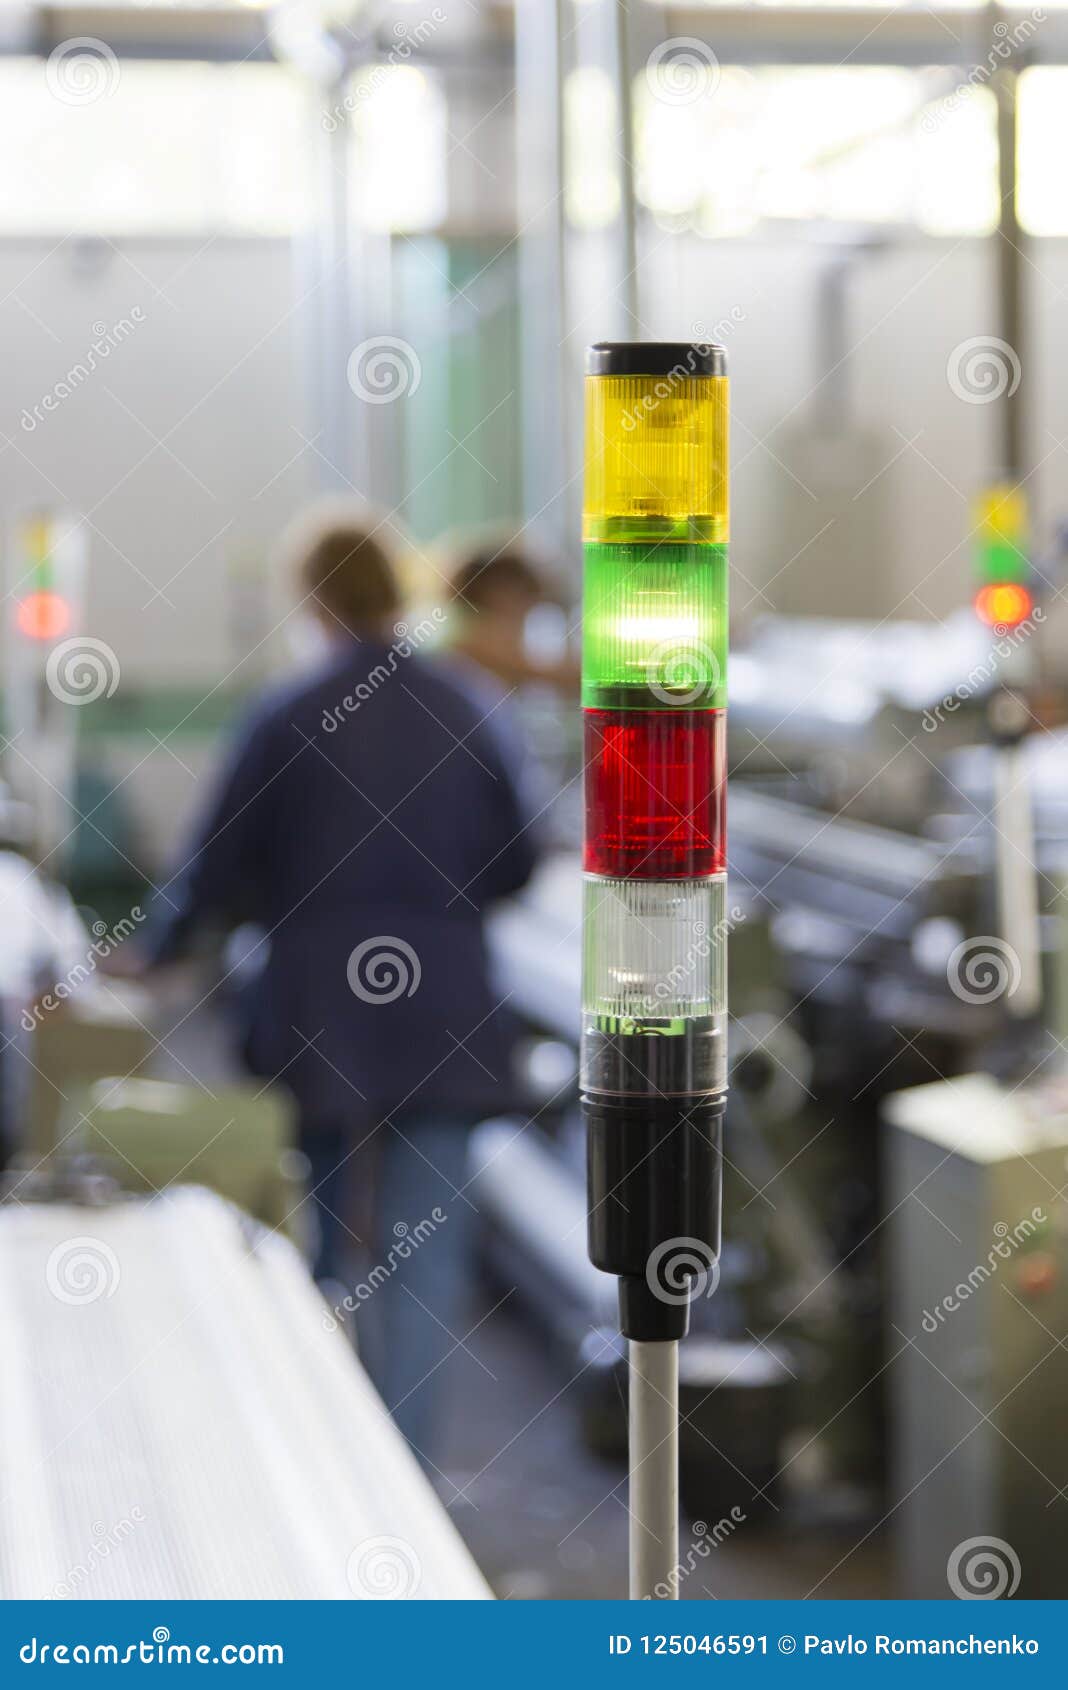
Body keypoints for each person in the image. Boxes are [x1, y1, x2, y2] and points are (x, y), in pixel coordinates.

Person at [138, 503, 538, 1467]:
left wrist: (154, 950)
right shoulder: (465, 706)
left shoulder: (287, 712)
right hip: (443, 1007)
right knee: (425, 1253)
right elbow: (519, 860)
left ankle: (323, 1466)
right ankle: (404, 1484)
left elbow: (219, 865)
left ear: (311, 600)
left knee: (316, 1246)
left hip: (318, 1007)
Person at [443, 532, 580, 696]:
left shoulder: (473, 635)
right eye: (524, 594)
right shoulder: (478, 639)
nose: (527, 606)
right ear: (496, 592)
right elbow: (563, 676)